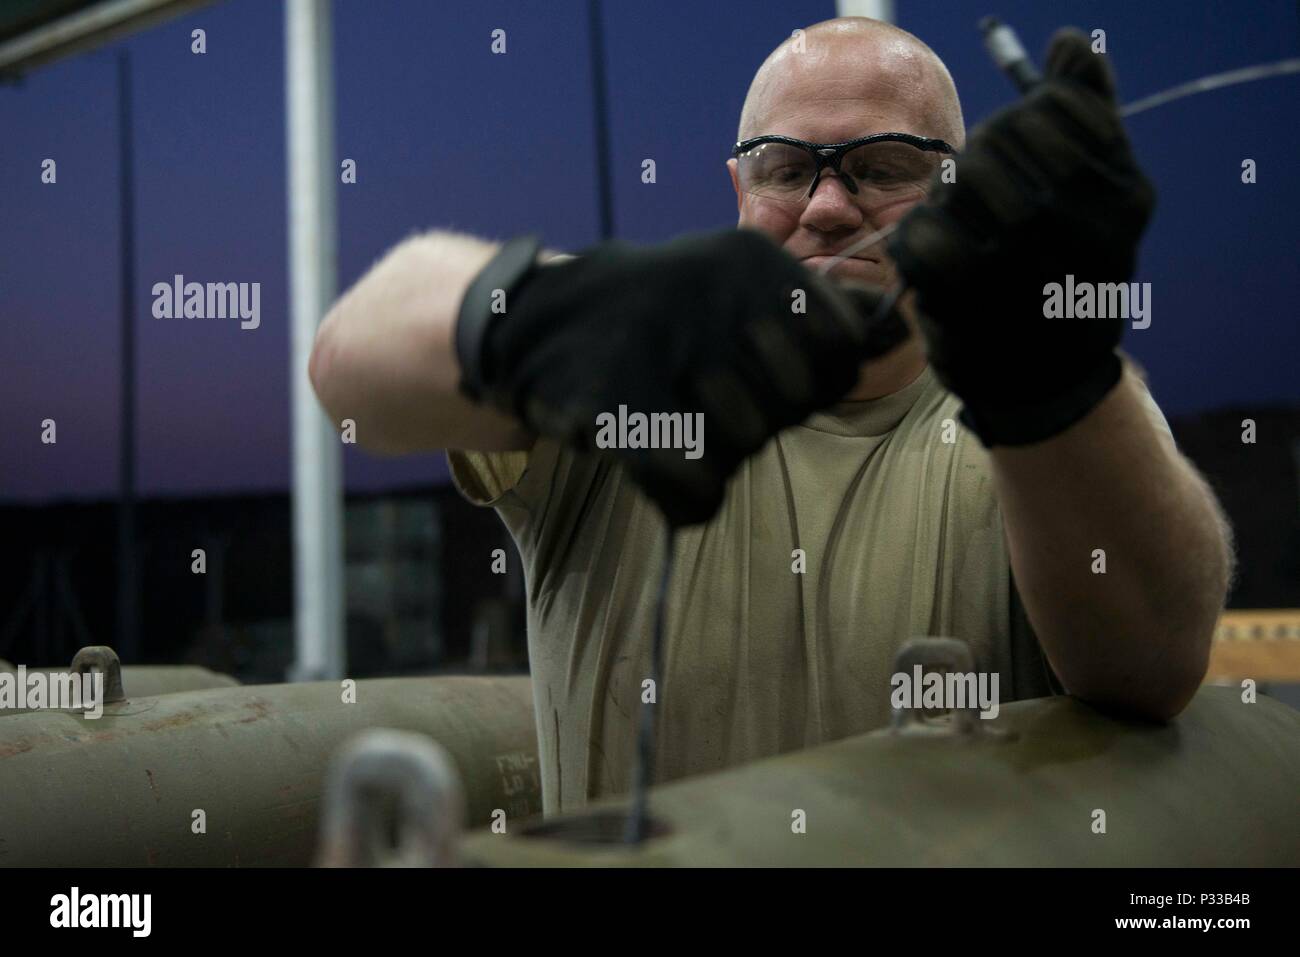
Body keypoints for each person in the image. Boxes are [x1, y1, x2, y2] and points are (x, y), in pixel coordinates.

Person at [309, 18, 1233, 814]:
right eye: (787, 169)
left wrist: (1047, 371)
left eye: (885, 167)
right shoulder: (632, 384)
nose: (830, 208)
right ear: (739, 190)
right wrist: (564, 314)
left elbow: (1154, 664)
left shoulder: (1052, 424)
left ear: (958, 185)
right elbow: (347, 363)